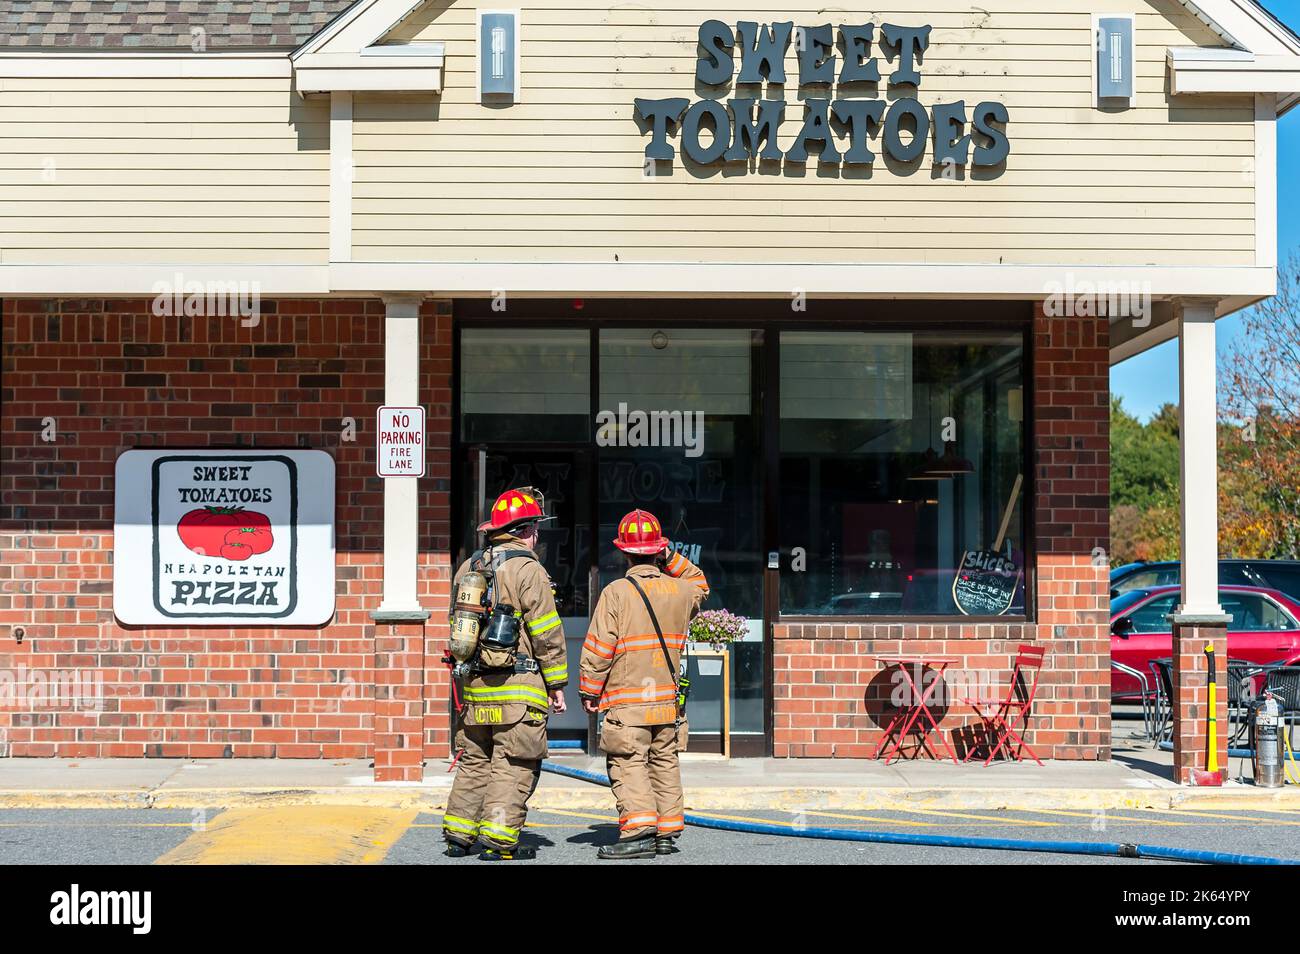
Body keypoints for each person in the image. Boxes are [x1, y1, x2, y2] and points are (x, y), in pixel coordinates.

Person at [442, 487, 568, 861]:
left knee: (475, 760)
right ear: (527, 530)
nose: (537, 535)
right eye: (536, 528)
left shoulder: (469, 567)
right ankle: (498, 840)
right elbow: (546, 630)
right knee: (514, 763)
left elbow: (458, 625)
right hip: (519, 688)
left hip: (475, 688)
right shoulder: (528, 569)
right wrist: (556, 683)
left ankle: (458, 836)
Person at [579, 508, 709, 859]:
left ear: (624, 552)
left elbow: (599, 648)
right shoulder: (681, 591)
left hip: (627, 702)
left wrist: (589, 689)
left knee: (628, 760)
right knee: (664, 759)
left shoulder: (616, 592)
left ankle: (638, 832)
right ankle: (665, 833)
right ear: (658, 550)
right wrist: (671, 557)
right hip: (666, 701)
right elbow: (701, 583)